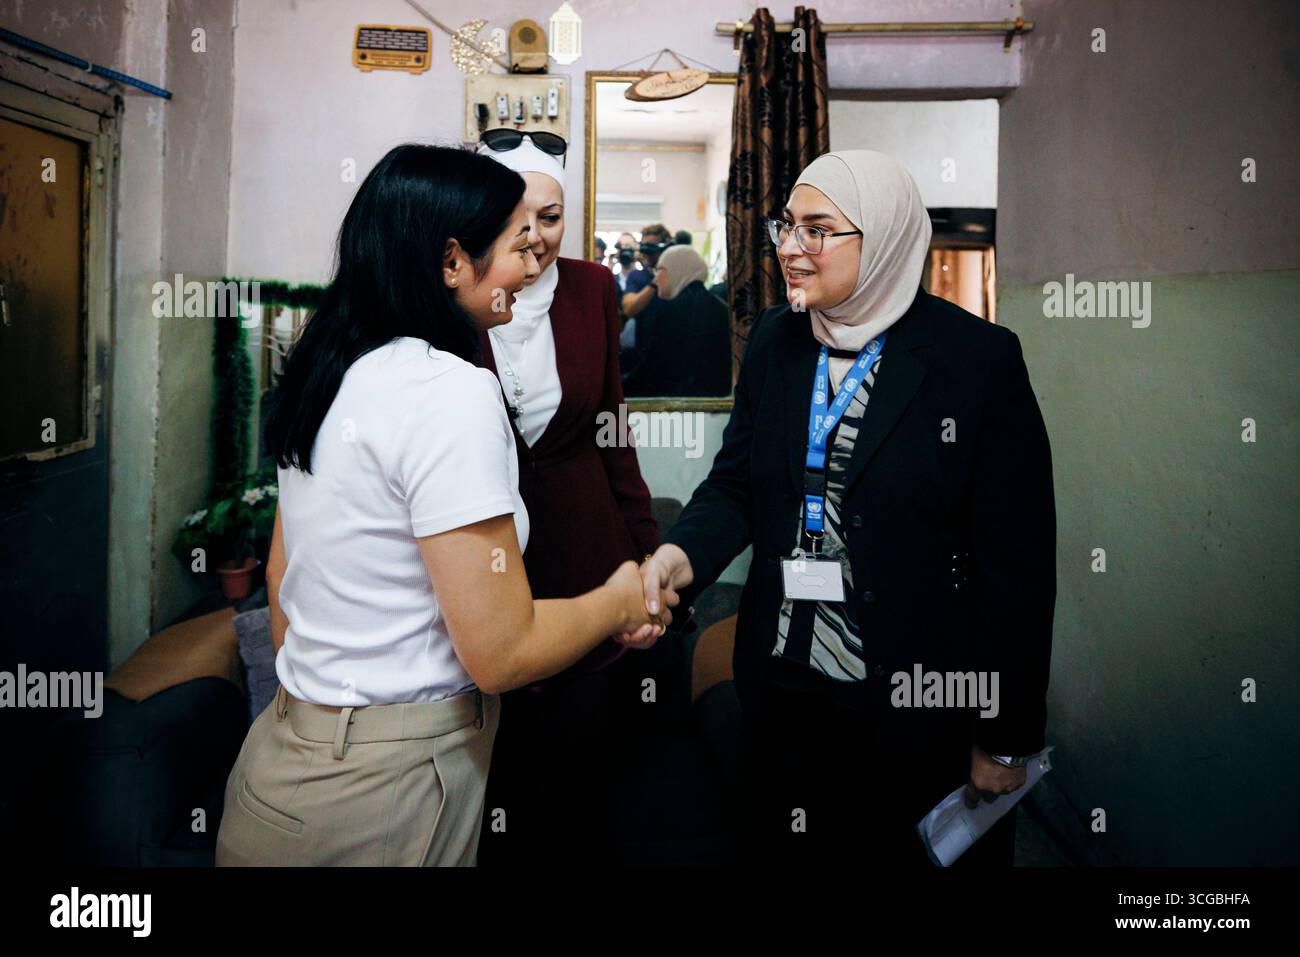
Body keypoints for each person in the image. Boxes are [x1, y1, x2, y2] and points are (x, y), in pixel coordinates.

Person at [215, 145, 667, 868]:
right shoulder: (447, 390)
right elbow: (501, 650)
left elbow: (282, 583)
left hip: (285, 759)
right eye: (514, 244)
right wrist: (617, 602)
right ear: (454, 260)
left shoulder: (334, 370)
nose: (530, 263)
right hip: (385, 795)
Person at [626, 150, 1057, 867]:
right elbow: (735, 485)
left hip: (913, 702)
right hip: (783, 686)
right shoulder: (777, 340)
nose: (790, 249)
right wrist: (681, 556)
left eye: (817, 229)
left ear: (883, 237)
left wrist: (1005, 732)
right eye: (785, 226)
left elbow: (1014, 566)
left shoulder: (974, 362)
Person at [471, 134, 666, 865]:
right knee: (496, 761)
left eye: (549, 216)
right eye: (514, 217)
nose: (533, 236)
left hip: (586, 545)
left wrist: (647, 551)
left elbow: (612, 426)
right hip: (486, 556)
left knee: (580, 770)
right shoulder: (452, 290)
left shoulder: (591, 287)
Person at [629, 244, 731, 396]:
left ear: (676, 270)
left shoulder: (670, 312)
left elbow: (651, 371)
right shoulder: (722, 308)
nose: (655, 280)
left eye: (660, 270)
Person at [620, 222, 671, 319]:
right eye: (644, 248)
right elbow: (628, 309)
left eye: (651, 248)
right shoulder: (636, 276)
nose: (646, 253)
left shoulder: (676, 276)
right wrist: (655, 282)